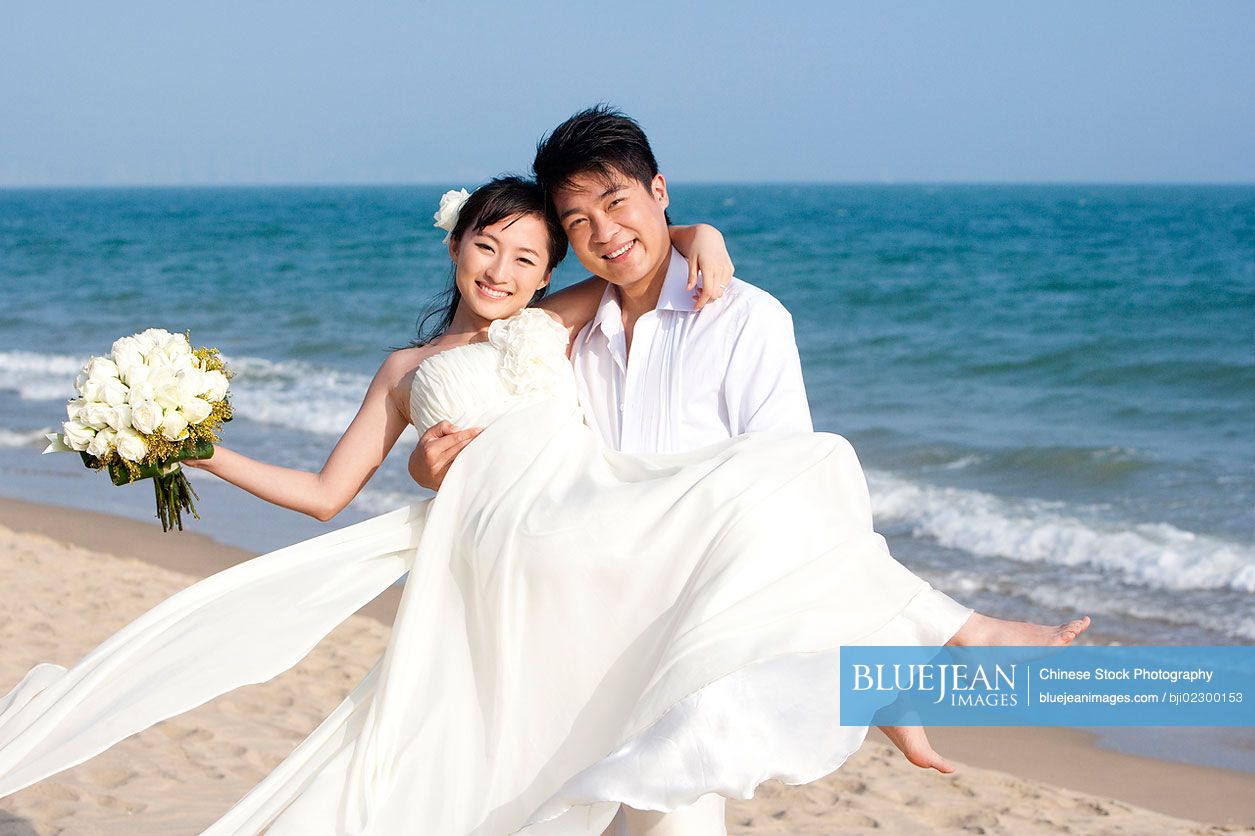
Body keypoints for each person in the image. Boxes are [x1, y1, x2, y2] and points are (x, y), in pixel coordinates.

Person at [0, 176, 1088, 836]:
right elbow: (325, 495)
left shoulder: (552, 317)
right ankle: (914, 652)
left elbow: (643, 260)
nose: (505, 269)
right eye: (489, 245)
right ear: (454, 243)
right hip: (497, 559)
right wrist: (204, 449)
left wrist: (699, 231)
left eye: (528, 256)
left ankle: (939, 638)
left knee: (792, 475)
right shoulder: (404, 366)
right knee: (461, 746)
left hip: (593, 516)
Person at [409, 107, 1092, 836]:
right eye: (577, 223)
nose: (604, 232)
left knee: (668, 817)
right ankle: (944, 639)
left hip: (691, 629)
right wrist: (428, 467)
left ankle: (941, 643)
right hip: (581, 614)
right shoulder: (566, 331)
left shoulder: (744, 318)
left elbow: (794, 508)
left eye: (617, 204)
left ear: (659, 191)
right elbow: (503, 435)